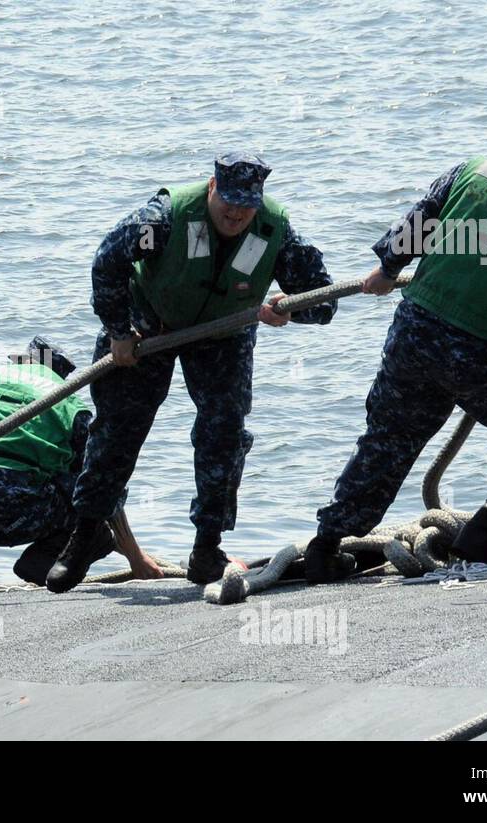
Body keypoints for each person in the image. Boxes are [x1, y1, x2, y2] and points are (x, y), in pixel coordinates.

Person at [303, 113, 487, 582]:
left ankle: (325, 546)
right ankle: (485, 528)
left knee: (388, 440)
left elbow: (417, 223)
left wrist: (387, 267)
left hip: (416, 332)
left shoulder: (471, 172)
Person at [47, 152, 337, 593]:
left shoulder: (273, 229)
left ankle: (207, 548)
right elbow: (108, 259)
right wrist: (117, 331)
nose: (237, 213)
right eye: (228, 203)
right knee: (117, 429)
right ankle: (84, 535)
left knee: (224, 431)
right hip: (147, 327)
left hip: (223, 335)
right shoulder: (165, 218)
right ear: (211, 188)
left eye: (246, 204)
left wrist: (287, 310)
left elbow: (324, 300)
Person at [0, 337, 164, 595]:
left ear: (23, 361)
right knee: (86, 481)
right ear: (61, 376)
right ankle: (46, 558)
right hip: (23, 518)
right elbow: (102, 482)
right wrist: (135, 557)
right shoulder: (72, 406)